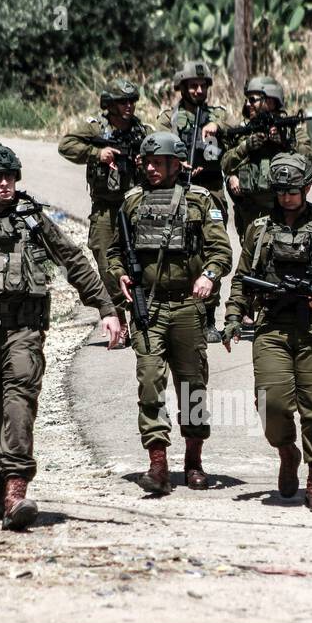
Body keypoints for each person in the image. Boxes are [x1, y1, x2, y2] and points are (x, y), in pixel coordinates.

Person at [0, 141, 123, 527]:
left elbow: (74, 260)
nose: (5, 183)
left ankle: (17, 490)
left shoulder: (33, 220)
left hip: (23, 330)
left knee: (18, 406)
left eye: (9, 176)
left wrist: (106, 307)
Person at [223, 153, 312, 513]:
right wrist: (234, 316)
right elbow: (242, 278)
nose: (286, 196)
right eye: (281, 190)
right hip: (272, 326)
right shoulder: (260, 229)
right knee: (272, 404)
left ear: (308, 187)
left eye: (293, 190)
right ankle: (286, 451)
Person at [106, 131, 233, 495]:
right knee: (149, 380)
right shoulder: (131, 202)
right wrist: (120, 274)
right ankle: (157, 464)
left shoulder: (199, 200)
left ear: (176, 164)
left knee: (192, 387)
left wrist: (209, 277)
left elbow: (220, 252)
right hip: (150, 307)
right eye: (146, 162)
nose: (150, 168)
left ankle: (193, 461)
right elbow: (114, 251)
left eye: (157, 162)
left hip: (188, 307)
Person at [57, 79, 150, 340]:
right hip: (105, 209)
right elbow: (66, 146)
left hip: (135, 206)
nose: (129, 106)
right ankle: (118, 319)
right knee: (106, 262)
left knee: (139, 261)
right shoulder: (96, 127)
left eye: (132, 101)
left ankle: (141, 316)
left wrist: (145, 161)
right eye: (123, 101)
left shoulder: (141, 131)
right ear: (109, 104)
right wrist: (97, 153)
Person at [220, 76, 312, 242]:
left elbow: (309, 158)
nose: (248, 104)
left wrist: (285, 142)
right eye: (247, 100)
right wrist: (246, 147)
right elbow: (226, 164)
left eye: (253, 100)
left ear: (270, 101)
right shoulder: (245, 132)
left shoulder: (291, 132)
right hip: (251, 214)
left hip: (286, 211)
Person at [157, 60, 229, 222]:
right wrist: (178, 164)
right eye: (193, 86)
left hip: (211, 189)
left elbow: (234, 127)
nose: (199, 90)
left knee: (216, 241)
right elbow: (159, 149)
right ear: (181, 87)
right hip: (178, 187)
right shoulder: (168, 118)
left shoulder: (218, 115)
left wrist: (216, 125)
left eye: (203, 86)